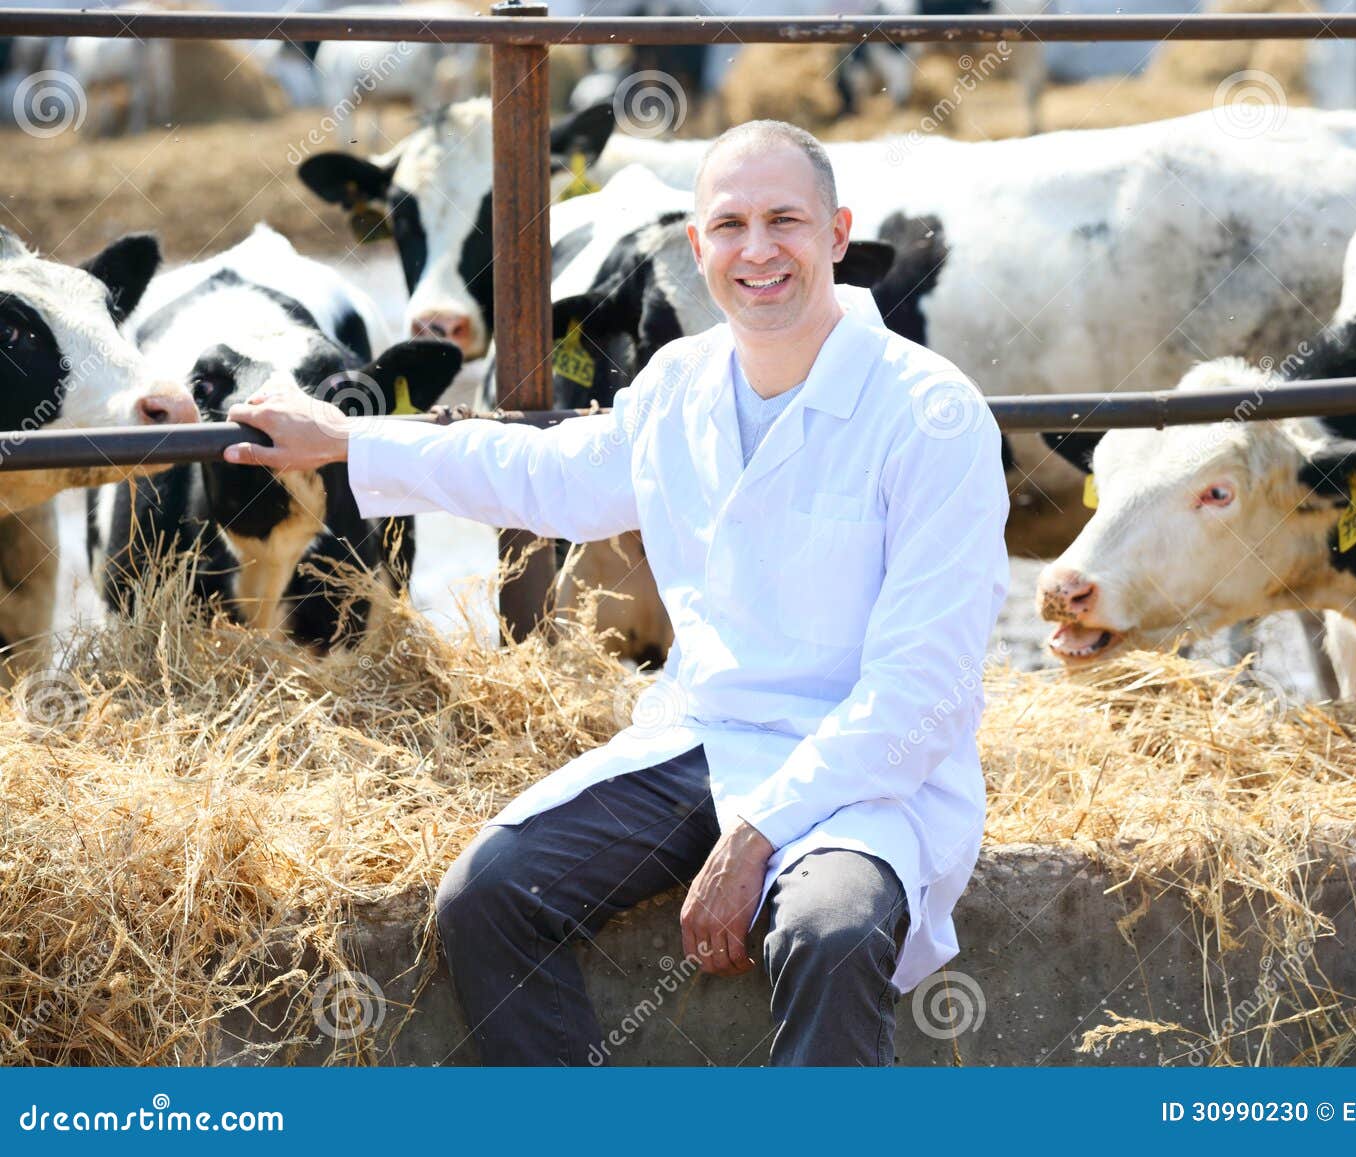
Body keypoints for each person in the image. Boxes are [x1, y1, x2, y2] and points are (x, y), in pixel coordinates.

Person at [223, 119, 1010, 1066]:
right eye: (729, 226)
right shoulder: (680, 382)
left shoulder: (929, 410)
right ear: (697, 245)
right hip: (706, 737)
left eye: (785, 222)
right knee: (488, 895)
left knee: (829, 935)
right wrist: (352, 441)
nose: (756, 251)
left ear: (839, 235)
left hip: (862, 770)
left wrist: (755, 836)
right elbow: (545, 473)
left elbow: (922, 688)